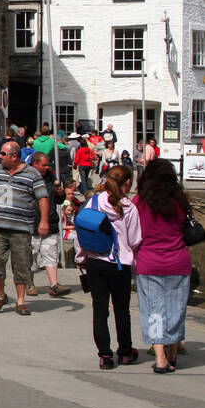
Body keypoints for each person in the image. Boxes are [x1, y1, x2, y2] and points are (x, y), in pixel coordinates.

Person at [0, 141, 51, 315]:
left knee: (21, 265)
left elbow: (43, 198)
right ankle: (0, 296)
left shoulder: (32, 174)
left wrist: (44, 220)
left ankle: (21, 301)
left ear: (15, 157)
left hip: (21, 229)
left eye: (3, 154)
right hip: (0, 227)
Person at [75, 165, 141, 370]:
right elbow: (135, 239)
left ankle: (105, 355)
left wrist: (81, 257)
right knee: (122, 310)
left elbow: (81, 231)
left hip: (95, 262)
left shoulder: (93, 202)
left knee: (100, 310)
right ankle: (125, 352)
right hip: (119, 264)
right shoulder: (129, 207)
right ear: (128, 182)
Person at [132, 159, 192, 374]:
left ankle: (160, 358)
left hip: (149, 262)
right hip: (179, 261)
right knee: (177, 310)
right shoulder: (181, 201)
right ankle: (173, 354)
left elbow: (133, 233)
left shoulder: (139, 202)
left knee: (153, 311)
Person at [27, 152, 74, 298]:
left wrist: (60, 194)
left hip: (51, 221)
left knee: (50, 254)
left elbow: (59, 201)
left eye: (48, 165)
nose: (47, 167)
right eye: (44, 165)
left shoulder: (51, 176)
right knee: (31, 254)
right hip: (32, 222)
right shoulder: (26, 176)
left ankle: (54, 285)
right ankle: (30, 284)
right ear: (35, 164)